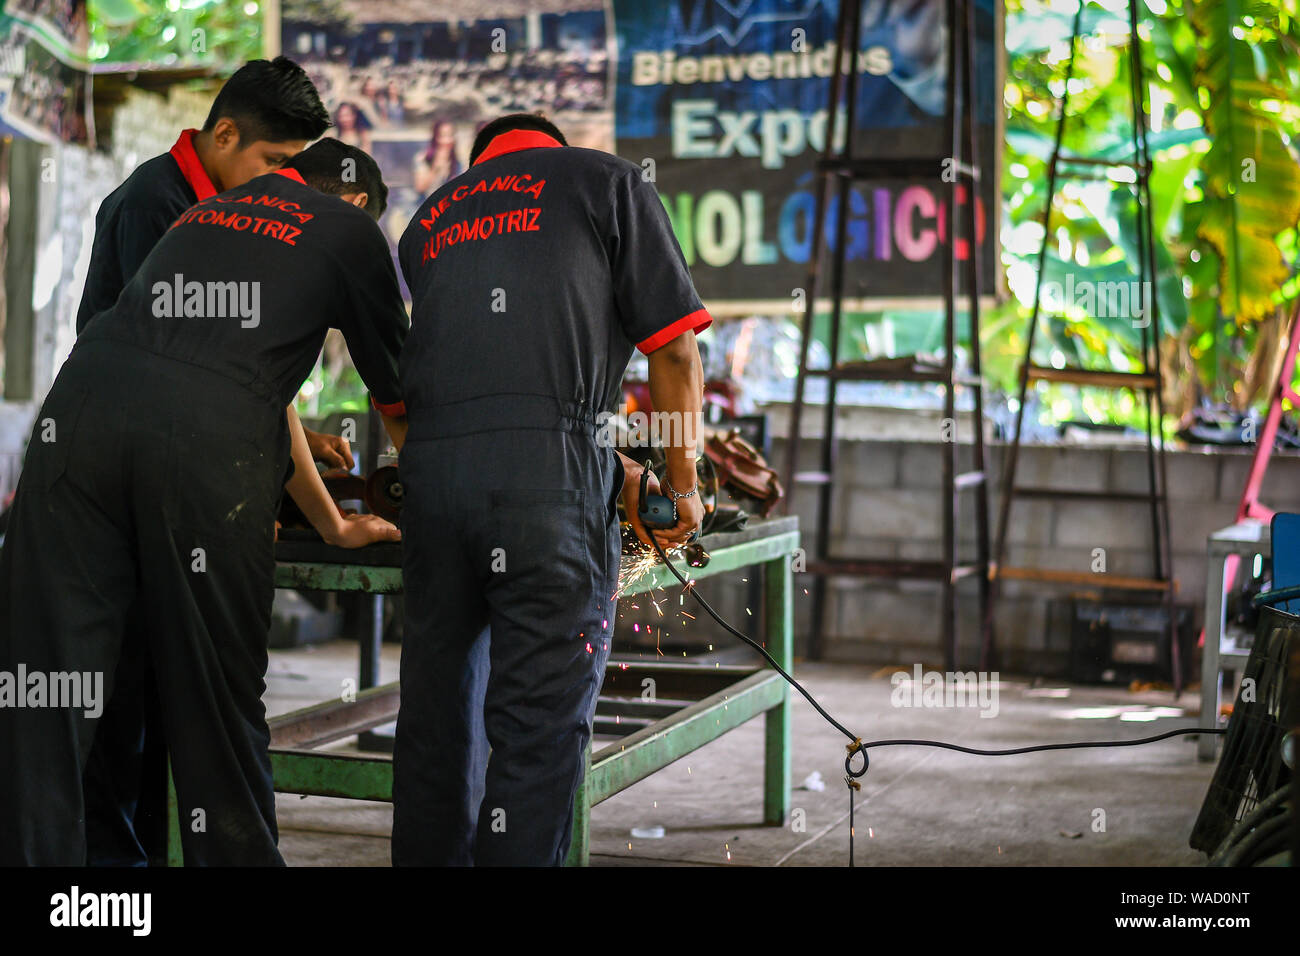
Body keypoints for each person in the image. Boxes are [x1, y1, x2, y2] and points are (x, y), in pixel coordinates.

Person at [0, 139, 410, 865]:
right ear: (353, 200)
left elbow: (256, 394)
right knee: (214, 706)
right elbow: (401, 403)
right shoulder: (348, 230)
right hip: (201, 449)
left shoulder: (208, 212)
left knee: (47, 697)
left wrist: (330, 522)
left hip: (78, 418)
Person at [392, 113, 708, 865]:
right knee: (536, 728)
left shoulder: (429, 220)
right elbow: (676, 352)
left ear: (480, 164)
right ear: (553, 147)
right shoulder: (607, 181)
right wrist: (681, 487)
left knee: (436, 723)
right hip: (548, 485)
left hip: (432, 483)